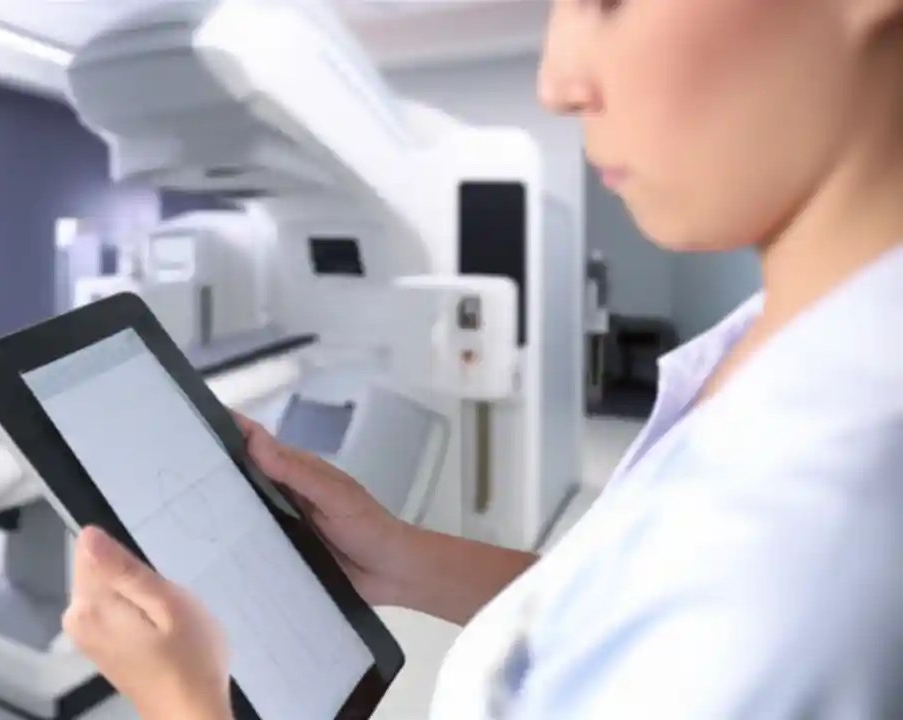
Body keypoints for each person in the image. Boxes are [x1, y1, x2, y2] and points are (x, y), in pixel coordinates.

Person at [61, 0, 903, 717]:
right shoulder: (783, 338)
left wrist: (190, 702)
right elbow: (610, 599)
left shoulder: (812, 547)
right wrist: (400, 556)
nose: (557, 83)